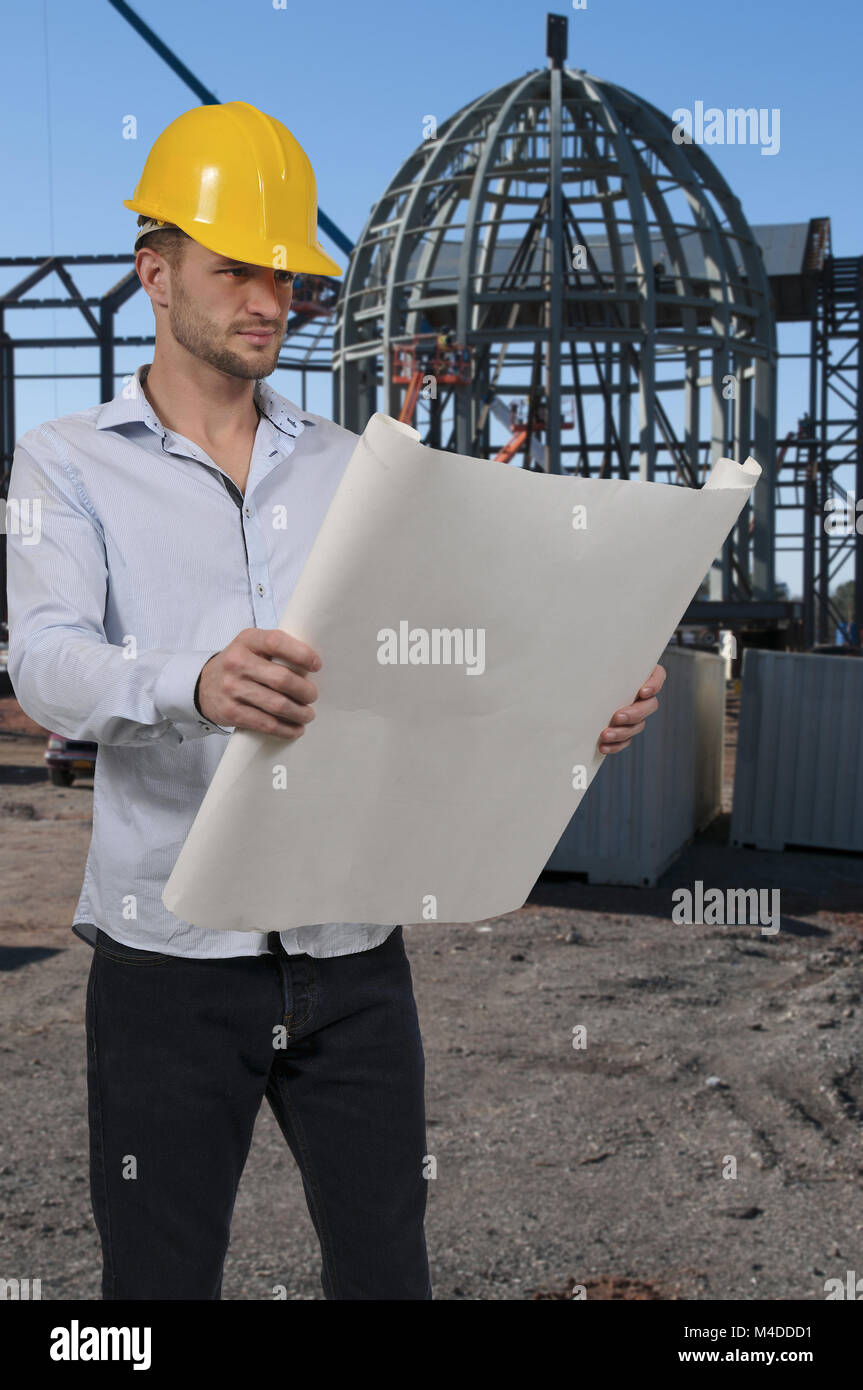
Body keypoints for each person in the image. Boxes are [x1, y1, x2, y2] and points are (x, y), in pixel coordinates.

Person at [5, 100, 665, 1302]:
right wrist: (188, 682)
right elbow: (42, 657)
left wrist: (577, 697)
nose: (270, 299)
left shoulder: (355, 464)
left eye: (289, 275)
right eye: (237, 269)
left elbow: (447, 654)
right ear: (154, 274)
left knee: (384, 1271)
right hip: (169, 957)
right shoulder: (64, 462)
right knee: (155, 1285)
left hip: (351, 951)